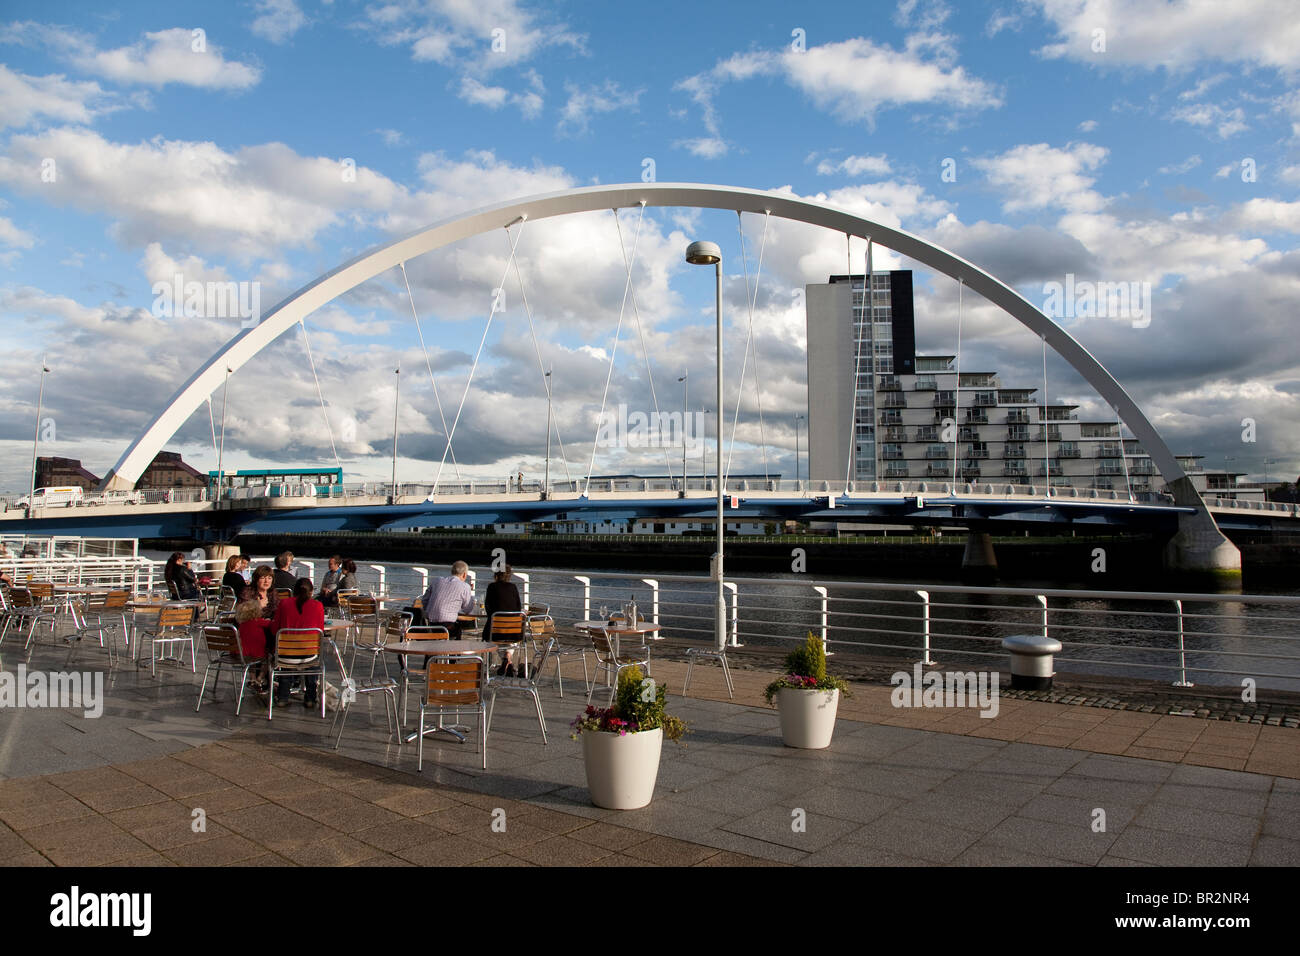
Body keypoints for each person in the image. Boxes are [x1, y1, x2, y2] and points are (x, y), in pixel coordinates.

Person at [270, 577, 325, 708]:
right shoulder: (318, 605)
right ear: (311, 592)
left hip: (286, 655)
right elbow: (320, 631)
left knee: (287, 661)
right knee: (313, 661)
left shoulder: (284, 604)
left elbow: (274, 630)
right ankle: (310, 698)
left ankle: (283, 697)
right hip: (309, 654)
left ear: (294, 591)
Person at [420, 560, 476, 639]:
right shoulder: (465, 586)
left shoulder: (437, 581)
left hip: (431, 624)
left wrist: (430, 610)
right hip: (448, 626)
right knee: (459, 628)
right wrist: (470, 595)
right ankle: (454, 650)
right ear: (464, 575)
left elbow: (424, 599)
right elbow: (467, 609)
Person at [485, 565, 523, 676]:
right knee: (508, 638)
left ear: (496, 575)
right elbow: (518, 608)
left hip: (495, 632)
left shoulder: (491, 587)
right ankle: (508, 659)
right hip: (514, 633)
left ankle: (506, 661)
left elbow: (488, 609)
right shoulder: (513, 587)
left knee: (497, 636)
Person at [233, 599, 271, 690]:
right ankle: (260, 678)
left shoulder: (242, 625)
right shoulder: (258, 621)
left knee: (251, 662)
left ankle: (252, 678)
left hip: (240, 655)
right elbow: (271, 625)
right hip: (256, 655)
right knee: (268, 659)